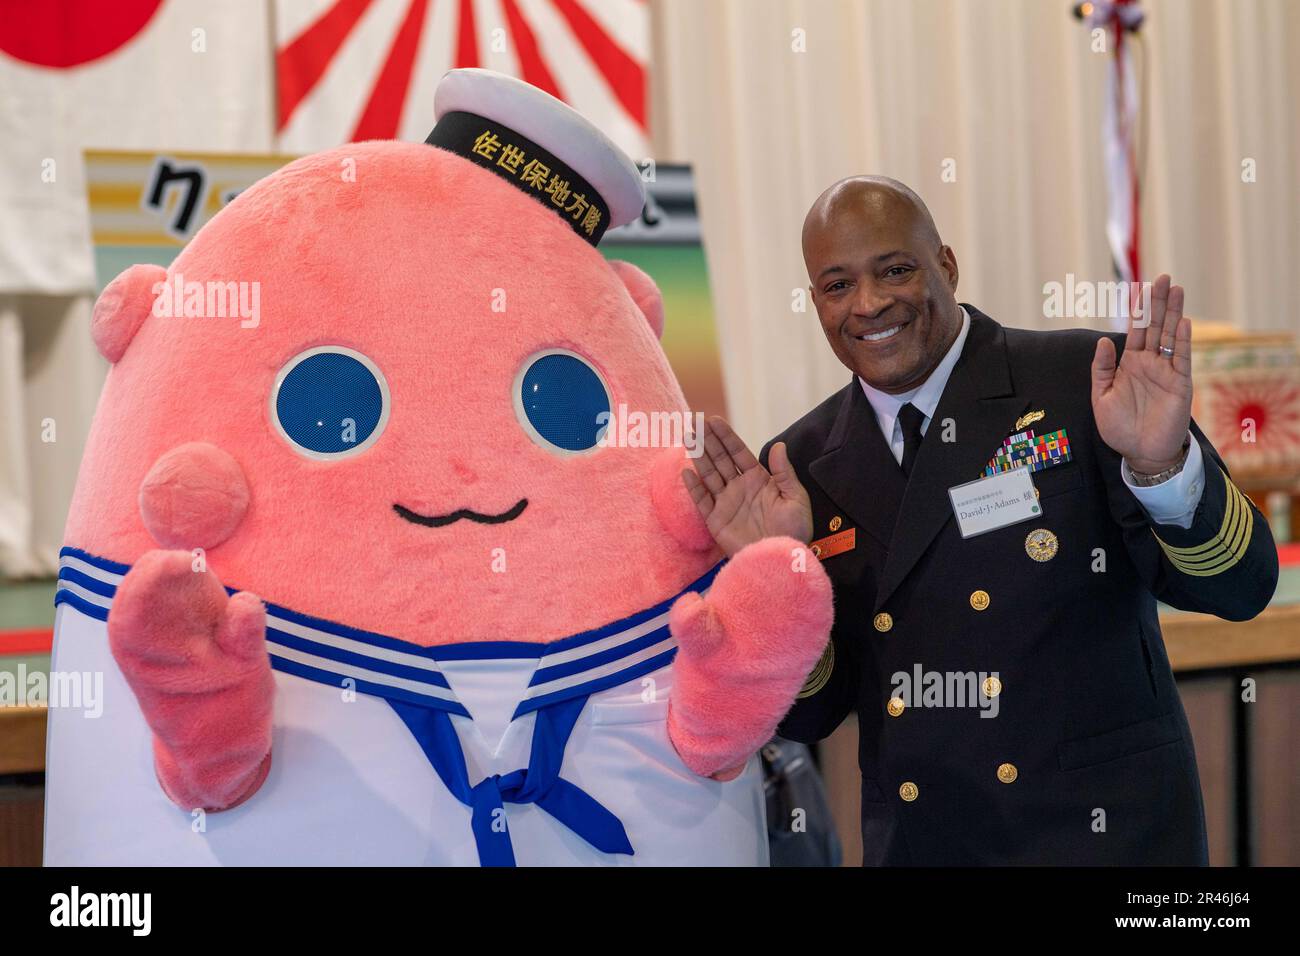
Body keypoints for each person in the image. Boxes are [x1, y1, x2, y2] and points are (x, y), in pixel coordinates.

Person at [681, 176, 1278, 865]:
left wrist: (1162, 466)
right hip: (927, 845)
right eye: (837, 285)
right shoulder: (803, 464)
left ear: (947, 265)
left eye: (895, 270)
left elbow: (1240, 589)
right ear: (815, 301)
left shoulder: (1087, 382)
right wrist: (775, 588)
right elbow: (817, 713)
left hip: (1105, 838)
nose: (869, 304)